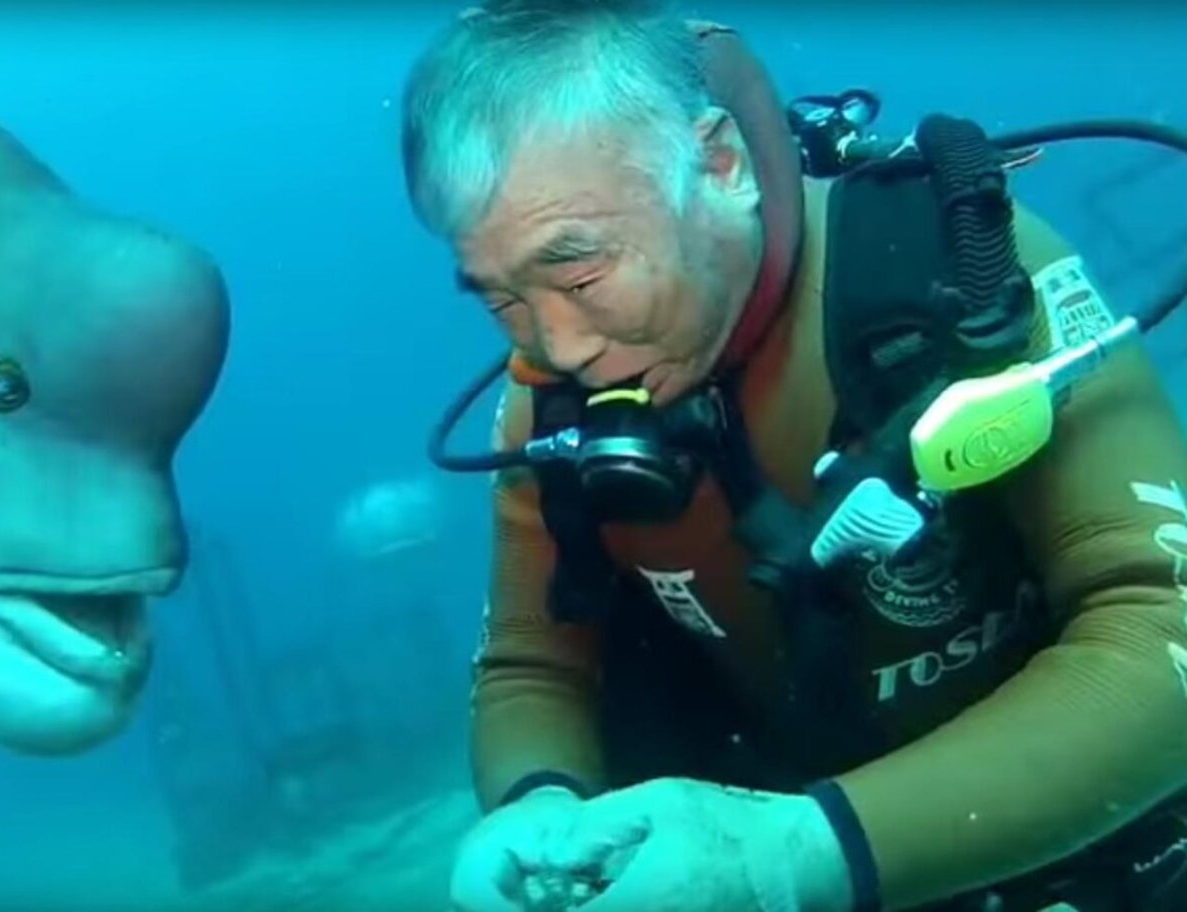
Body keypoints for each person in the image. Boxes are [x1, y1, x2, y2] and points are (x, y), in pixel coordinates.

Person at [398, 2, 1187, 911]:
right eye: (501, 298)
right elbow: (535, 663)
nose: (557, 344)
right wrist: (537, 815)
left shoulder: (965, 280)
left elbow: (1164, 622)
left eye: (579, 275)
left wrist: (802, 852)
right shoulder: (547, 399)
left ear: (719, 163)